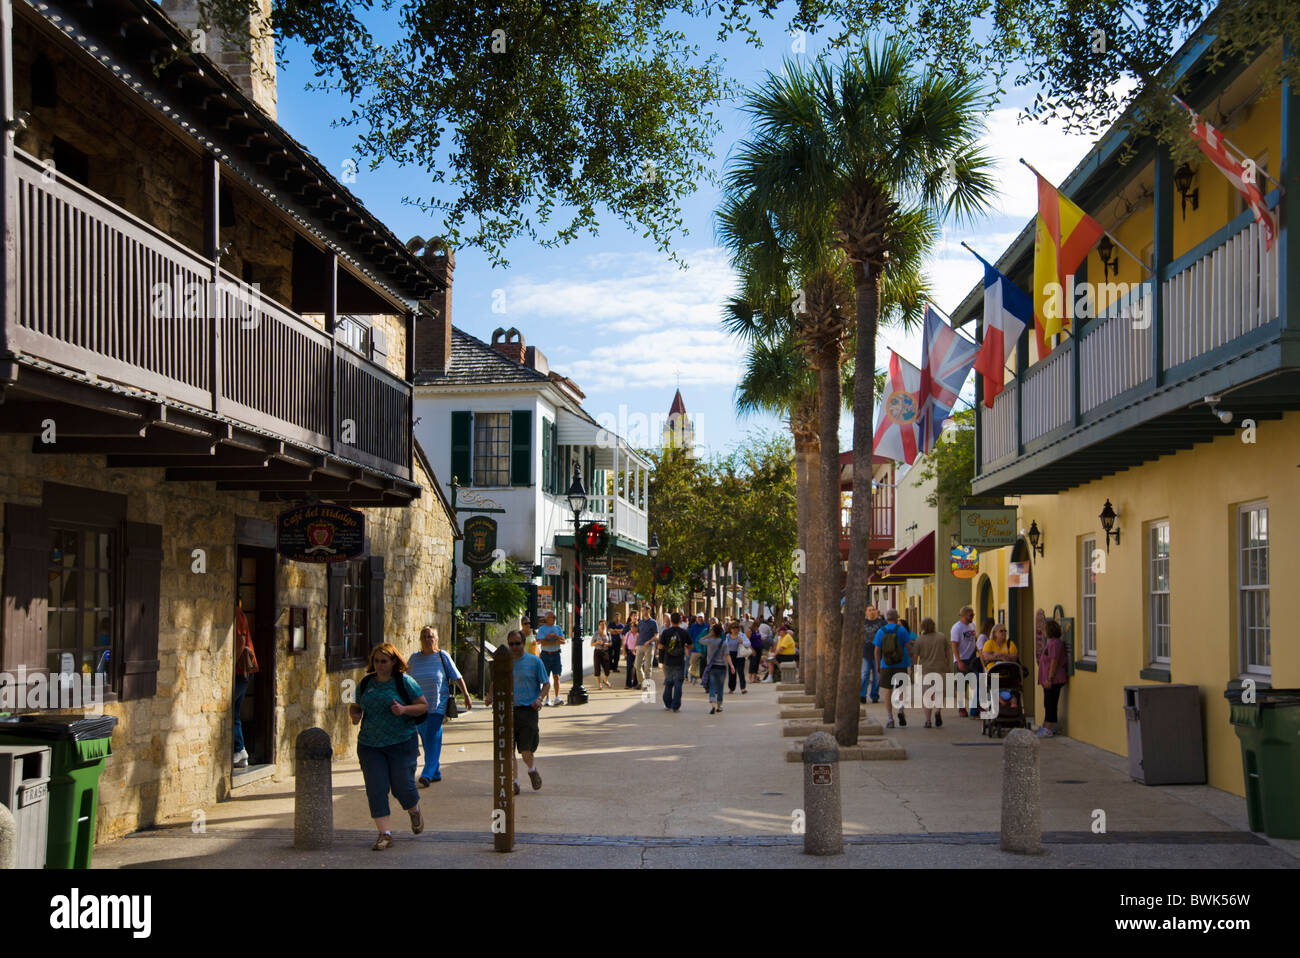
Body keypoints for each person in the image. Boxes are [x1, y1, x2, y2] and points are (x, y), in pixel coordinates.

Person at [348, 643, 428, 850]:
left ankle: (414, 809)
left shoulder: (404, 682)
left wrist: (403, 709)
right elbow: (356, 705)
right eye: (376, 661)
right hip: (370, 744)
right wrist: (355, 714)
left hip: (401, 742)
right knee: (376, 789)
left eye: (383, 661)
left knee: (402, 786)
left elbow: (423, 706)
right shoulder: (366, 683)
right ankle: (385, 834)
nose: (379, 665)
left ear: (393, 662)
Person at [485, 629, 549, 794]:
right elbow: (496, 681)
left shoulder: (535, 662)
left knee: (526, 749)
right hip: (507, 711)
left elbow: (546, 683)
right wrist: (490, 696)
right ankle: (514, 782)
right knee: (508, 750)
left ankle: (532, 769)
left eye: (517, 643)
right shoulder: (504, 662)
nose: (514, 647)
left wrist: (539, 699)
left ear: (523, 643)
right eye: (511, 644)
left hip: (528, 711)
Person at [406, 626, 471, 785]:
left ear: (436, 639)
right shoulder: (414, 659)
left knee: (433, 737)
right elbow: (406, 680)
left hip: (437, 705)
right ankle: (435, 771)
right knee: (426, 739)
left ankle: (427, 774)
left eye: (431, 637)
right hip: (418, 707)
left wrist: (467, 695)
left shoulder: (442, 656)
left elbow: (457, 677)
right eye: (425, 637)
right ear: (421, 640)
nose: (428, 640)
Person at [874, 610, 916, 729]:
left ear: (887, 618)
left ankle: (890, 718)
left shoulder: (881, 631)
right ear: (897, 618)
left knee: (888, 691)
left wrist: (878, 664)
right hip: (900, 664)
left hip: (886, 665)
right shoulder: (902, 630)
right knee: (901, 690)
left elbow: (876, 650)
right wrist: (912, 662)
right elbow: (908, 647)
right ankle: (901, 710)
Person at [232, 600, 258, 769]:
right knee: (233, 711)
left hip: (242, 672)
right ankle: (239, 751)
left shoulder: (236, 612)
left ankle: (239, 749)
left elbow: (241, 640)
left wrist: (231, 664)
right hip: (242, 673)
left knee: (230, 710)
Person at [913, 617, 950, 728]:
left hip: (926, 670)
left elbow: (915, 656)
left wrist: (915, 668)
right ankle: (938, 711)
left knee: (927, 696)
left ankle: (928, 720)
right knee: (939, 693)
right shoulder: (941, 637)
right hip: (941, 668)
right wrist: (948, 666)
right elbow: (947, 653)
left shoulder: (919, 639)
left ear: (922, 627)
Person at [1037, 619, 1069, 737]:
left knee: (1050, 703)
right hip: (1048, 680)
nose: (1043, 632)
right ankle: (1048, 725)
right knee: (1048, 703)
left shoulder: (1055, 644)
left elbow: (1054, 661)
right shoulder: (1051, 643)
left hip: (1053, 680)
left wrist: (1050, 679)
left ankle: (1048, 728)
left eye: (1044, 629)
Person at [658, 611, 692, 712]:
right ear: (680, 620)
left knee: (669, 682)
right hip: (679, 661)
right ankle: (676, 705)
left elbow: (660, 646)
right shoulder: (684, 632)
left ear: (671, 620)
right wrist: (684, 646)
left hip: (668, 660)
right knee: (678, 683)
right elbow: (691, 645)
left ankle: (668, 704)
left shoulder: (666, 632)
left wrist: (661, 658)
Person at [950, 607, 980, 717]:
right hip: (962, 658)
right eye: (971, 615)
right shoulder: (957, 628)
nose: (973, 617)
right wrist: (958, 661)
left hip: (972, 659)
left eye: (973, 614)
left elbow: (975, 640)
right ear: (964, 615)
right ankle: (961, 708)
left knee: (977, 681)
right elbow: (954, 645)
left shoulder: (972, 626)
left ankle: (977, 705)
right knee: (961, 685)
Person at [702, 623, 735, 714]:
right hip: (722, 667)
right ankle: (719, 706)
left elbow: (700, 640)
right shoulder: (723, 643)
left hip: (712, 667)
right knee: (720, 688)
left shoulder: (709, 641)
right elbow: (727, 655)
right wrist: (731, 665)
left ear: (713, 632)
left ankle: (713, 704)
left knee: (712, 686)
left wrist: (708, 635)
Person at [535, 611, 566, 706]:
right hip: (546, 654)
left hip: (556, 654)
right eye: (552, 617)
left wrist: (555, 636)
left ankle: (557, 697)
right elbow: (542, 642)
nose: (554, 619)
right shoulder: (542, 629)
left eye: (554, 617)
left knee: (556, 676)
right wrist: (553, 640)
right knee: (546, 677)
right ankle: (547, 698)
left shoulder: (558, 628)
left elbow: (563, 641)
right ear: (547, 618)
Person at [861, 604, 884, 704]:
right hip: (865, 653)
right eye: (869, 610)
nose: (871, 611)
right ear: (866, 612)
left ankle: (874, 695)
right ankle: (862, 695)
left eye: (873, 609)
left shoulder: (882, 623)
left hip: (878, 654)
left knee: (877, 676)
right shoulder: (862, 623)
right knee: (864, 674)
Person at [636, 609, 658, 687]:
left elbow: (656, 636)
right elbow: (637, 634)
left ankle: (647, 683)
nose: (642, 612)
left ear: (648, 611)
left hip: (649, 646)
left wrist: (649, 641)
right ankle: (641, 682)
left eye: (643, 610)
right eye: (641, 610)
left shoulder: (653, 622)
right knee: (637, 665)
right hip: (639, 646)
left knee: (647, 667)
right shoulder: (640, 622)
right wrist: (635, 645)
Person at [726, 621, 749, 694]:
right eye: (733, 628)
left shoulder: (742, 635)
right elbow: (724, 645)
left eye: (736, 628)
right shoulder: (727, 636)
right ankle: (731, 688)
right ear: (730, 629)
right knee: (732, 672)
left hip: (740, 655)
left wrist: (742, 642)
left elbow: (748, 643)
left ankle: (743, 688)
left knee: (740, 671)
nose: (735, 629)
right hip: (731, 655)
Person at [591, 619, 613, 690]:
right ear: (599, 626)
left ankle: (605, 680)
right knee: (597, 668)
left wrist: (607, 644)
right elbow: (591, 644)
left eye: (604, 624)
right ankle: (599, 684)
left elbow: (611, 643)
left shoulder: (608, 633)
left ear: (606, 625)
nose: (602, 626)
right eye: (601, 625)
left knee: (607, 669)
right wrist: (597, 642)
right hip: (597, 652)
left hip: (605, 652)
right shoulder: (596, 634)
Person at [687, 613, 708, 684]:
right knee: (693, 664)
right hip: (695, 649)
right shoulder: (693, 627)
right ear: (696, 619)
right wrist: (688, 646)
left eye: (701, 617)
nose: (700, 619)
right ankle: (693, 678)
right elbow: (688, 636)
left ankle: (703, 678)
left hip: (705, 650)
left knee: (704, 665)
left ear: (704, 618)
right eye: (699, 617)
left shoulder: (707, 627)